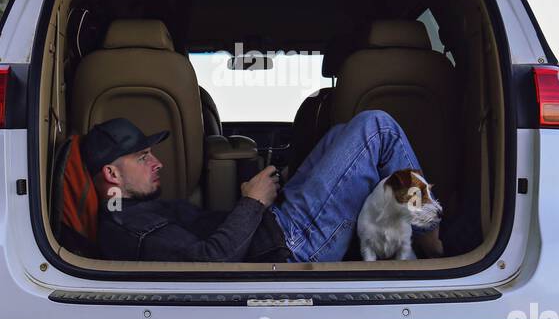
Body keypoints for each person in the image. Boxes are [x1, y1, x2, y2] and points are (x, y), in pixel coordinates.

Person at [86, 110, 444, 264]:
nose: (158, 162)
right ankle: (430, 234)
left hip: (275, 227)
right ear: (112, 175)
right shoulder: (129, 227)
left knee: (339, 133)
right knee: (378, 127)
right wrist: (252, 202)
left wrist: (255, 204)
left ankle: (415, 228)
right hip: (291, 245)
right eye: (143, 157)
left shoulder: (127, 211)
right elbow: (213, 262)